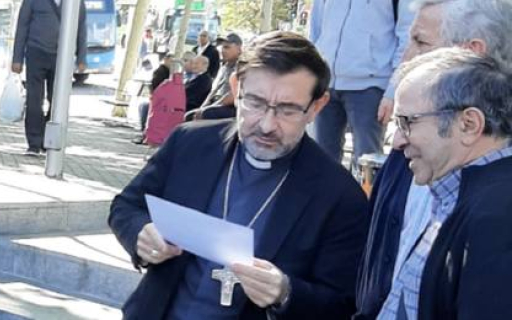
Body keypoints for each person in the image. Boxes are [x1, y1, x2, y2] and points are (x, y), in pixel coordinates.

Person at [109, 31, 368, 320]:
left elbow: (342, 305)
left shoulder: (340, 196)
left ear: (316, 107)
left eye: (287, 110)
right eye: (255, 103)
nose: (268, 125)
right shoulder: (189, 143)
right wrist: (140, 235)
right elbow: (126, 206)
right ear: (236, 87)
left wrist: (286, 293)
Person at [354, 0, 512, 319]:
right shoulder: (408, 158)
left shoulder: (497, 212)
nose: (404, 56)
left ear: (471, 52)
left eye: (420, 42)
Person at [378, 48, 512, 319]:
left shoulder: (497, 218)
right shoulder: (463, 196)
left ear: (469, 124)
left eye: (407, 122)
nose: (398, 141)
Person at [309, 0, 425, 167]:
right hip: (327, 86)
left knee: (367, 169)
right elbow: (316, 32)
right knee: (319, 166)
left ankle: (365, 212)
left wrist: (392, 92)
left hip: (371, 89)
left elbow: (408, 37)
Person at [11, 0, 88, 156]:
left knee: (57, 101)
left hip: (61, 56)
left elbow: (81, 25)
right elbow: (22, 25)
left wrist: (82, 57)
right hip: (36, 52)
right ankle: (33, 144)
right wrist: (17, 58)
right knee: (34, 99)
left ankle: (47, 141)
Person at [188, 33, 244, 121]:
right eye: (222, 47)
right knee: (190, 115)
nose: (223, 50)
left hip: (231, 106)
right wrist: (203, 106)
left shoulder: (242, 67)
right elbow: (213, 91)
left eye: (227, 47)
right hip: (216, 103)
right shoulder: (224, 67)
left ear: (239, 49)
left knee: (206, 114)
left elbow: (234, 94)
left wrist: (210, 107)